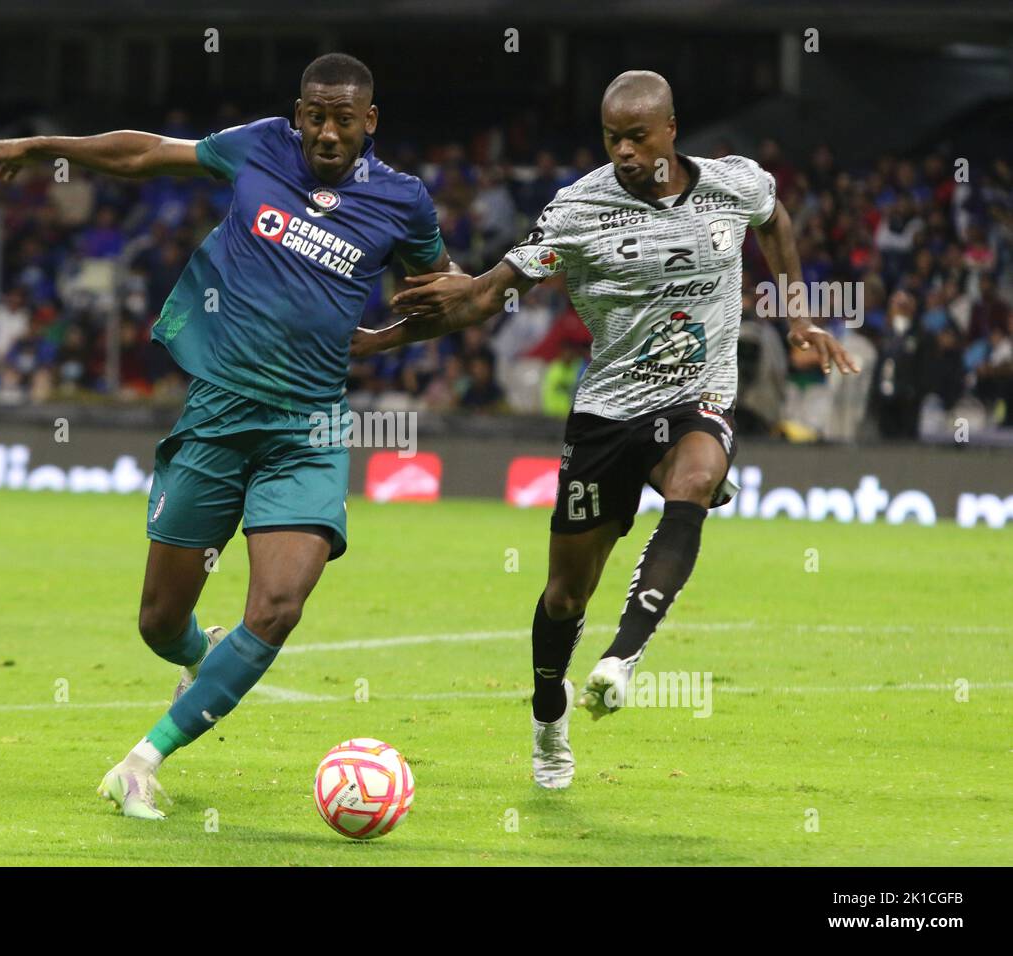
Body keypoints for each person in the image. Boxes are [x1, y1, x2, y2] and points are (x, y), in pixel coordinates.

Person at [0, 53, 454, 820]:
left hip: (308, 428)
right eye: (315, 115)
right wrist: (47, 148)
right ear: (297, 114)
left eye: (344, 118)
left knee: (277, 604)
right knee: (159, 623)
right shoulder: (258, 146)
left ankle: (141, 762)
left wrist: (382, 339)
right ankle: (202, 658)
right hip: (218, 417)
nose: (327, 132)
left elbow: (442, 298)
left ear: (371, 121)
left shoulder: (402, 201)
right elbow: (145, 154)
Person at [353, 70, 858, 789]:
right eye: (611, 137)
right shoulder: (578, 211)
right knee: (565, 594)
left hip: (697, 394)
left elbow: (773, 220)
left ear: (671, 129)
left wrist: (799, 311)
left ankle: (622, 658)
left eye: (636, 136)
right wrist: (371, 343)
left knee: (697, 478)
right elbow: (489, 294)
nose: (622, 151)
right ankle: (549, 714)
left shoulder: (735, 184)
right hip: (608, 412)